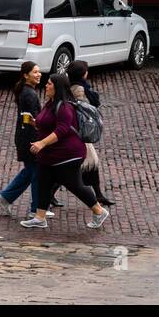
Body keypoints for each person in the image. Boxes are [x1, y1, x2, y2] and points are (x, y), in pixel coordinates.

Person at [21, 72, 110, 230]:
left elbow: (62, 130)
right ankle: (40, 218)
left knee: (74, 185)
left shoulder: (65, 107)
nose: (46, 86)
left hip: (67, 155)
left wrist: (41, 143)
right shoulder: (50, 103)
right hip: (50, 155)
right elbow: (48, 123)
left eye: (49, 84)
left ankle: (99, 211)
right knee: (44, 182)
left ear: (57, 87)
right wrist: (35, 123)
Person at [0, 61, 53, 220]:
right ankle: (36, 208)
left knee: (30, 171)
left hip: (23, 137)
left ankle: (5, 197)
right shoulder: (30, 94)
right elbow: (32, 119)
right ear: (26, 75)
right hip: (30, 139)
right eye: (35, 72)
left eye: (39, 72)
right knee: (37, 173)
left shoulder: (25, 91)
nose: (39, 74)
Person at [67, 60, 114, 206]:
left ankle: (98, 194)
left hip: (78, 133)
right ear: (83, 74)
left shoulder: (71, 85)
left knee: (91, 163)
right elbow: (83, 111)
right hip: (79, 133)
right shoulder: (80, 89)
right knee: (78, 166)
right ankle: (48, 195)